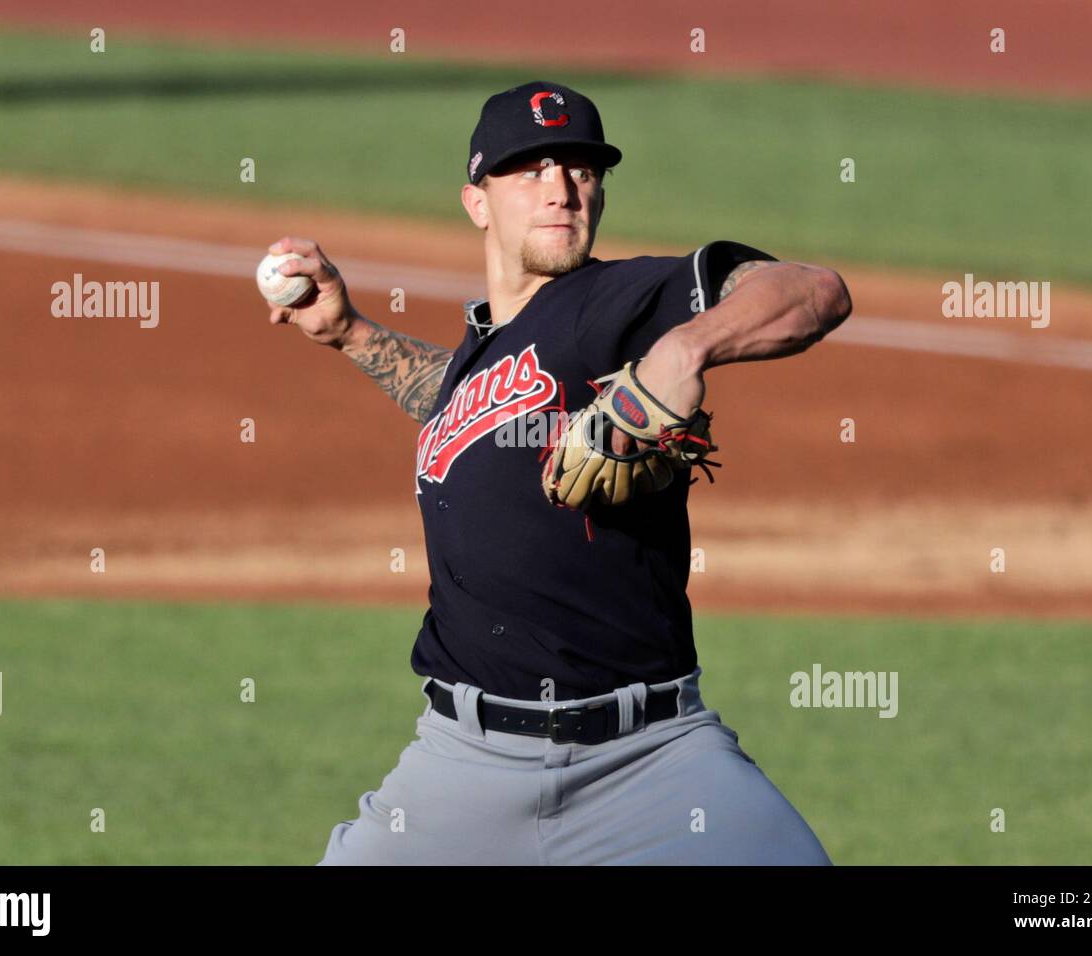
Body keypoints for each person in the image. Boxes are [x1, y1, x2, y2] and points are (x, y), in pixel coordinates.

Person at [266, 81, 852, 865]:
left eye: (580, 168)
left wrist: (684, 349)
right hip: (460, 768)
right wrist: (350, 333)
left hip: (651, 761)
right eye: (530, 169)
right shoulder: (489, 346)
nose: (561, 189)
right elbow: (462, 411)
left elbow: (814, 291)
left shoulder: (613, 302)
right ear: (477, 201)